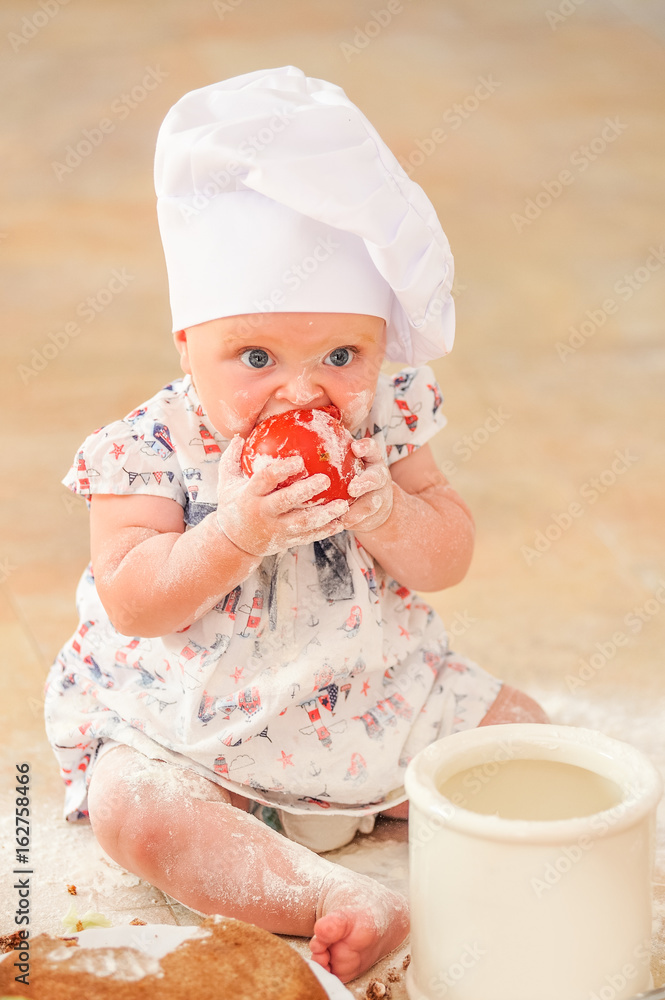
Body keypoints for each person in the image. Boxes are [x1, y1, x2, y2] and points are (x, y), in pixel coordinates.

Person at [44, 66, 548, 983]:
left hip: (373, 698)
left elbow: (448, 557)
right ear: (187, 346)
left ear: (381, 350)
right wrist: (233, 532)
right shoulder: (148, 447)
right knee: (134, 808)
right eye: (256, 356)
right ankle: (323, 894)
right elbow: (133, 600)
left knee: (523, 730)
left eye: (342, 354)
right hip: (201, 731)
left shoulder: (385, 419)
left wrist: (389, 510)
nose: (304, 388)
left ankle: (430, 824)